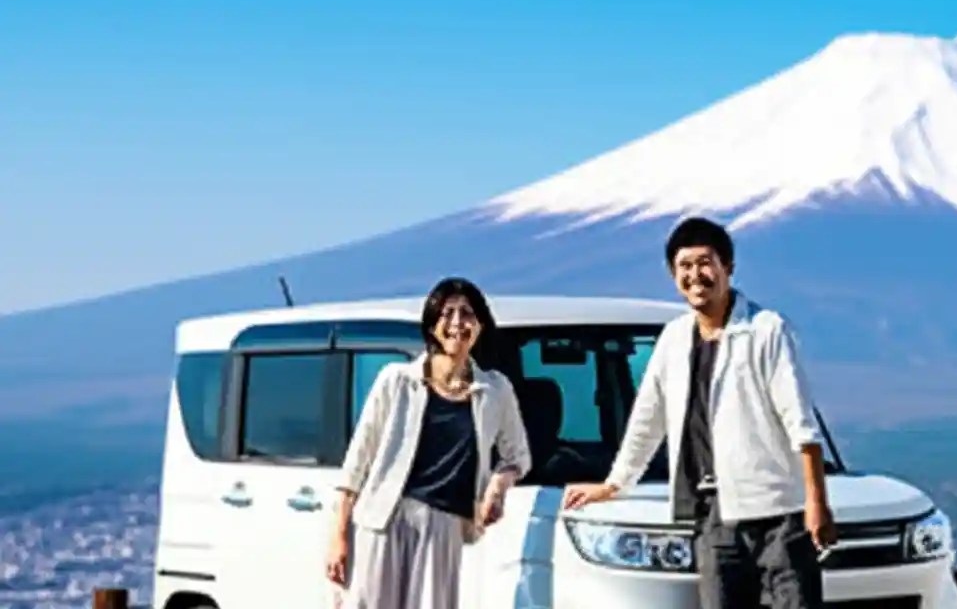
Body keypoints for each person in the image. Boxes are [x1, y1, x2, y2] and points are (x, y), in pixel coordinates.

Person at [562, 216, 837, 609]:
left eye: (705, 263)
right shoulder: (674, 338)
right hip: (713, 517)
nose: (696, 275)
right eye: (684, 266)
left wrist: (816, 503)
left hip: (778, 515)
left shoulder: (765, 330)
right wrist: (615, 484)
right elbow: (647, 419)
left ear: (728, 267)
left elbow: (802, 425)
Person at [326, 277, 532, 609]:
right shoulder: (396, 381)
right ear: (432, 325)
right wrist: (338, 537)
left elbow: (518, 456)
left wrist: (498, 484)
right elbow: (357, 462)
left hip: (444, 526)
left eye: (467, 314)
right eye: (447, 313)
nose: (457, 323)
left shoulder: (495, 390)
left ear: (480, 325)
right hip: (383, 521)